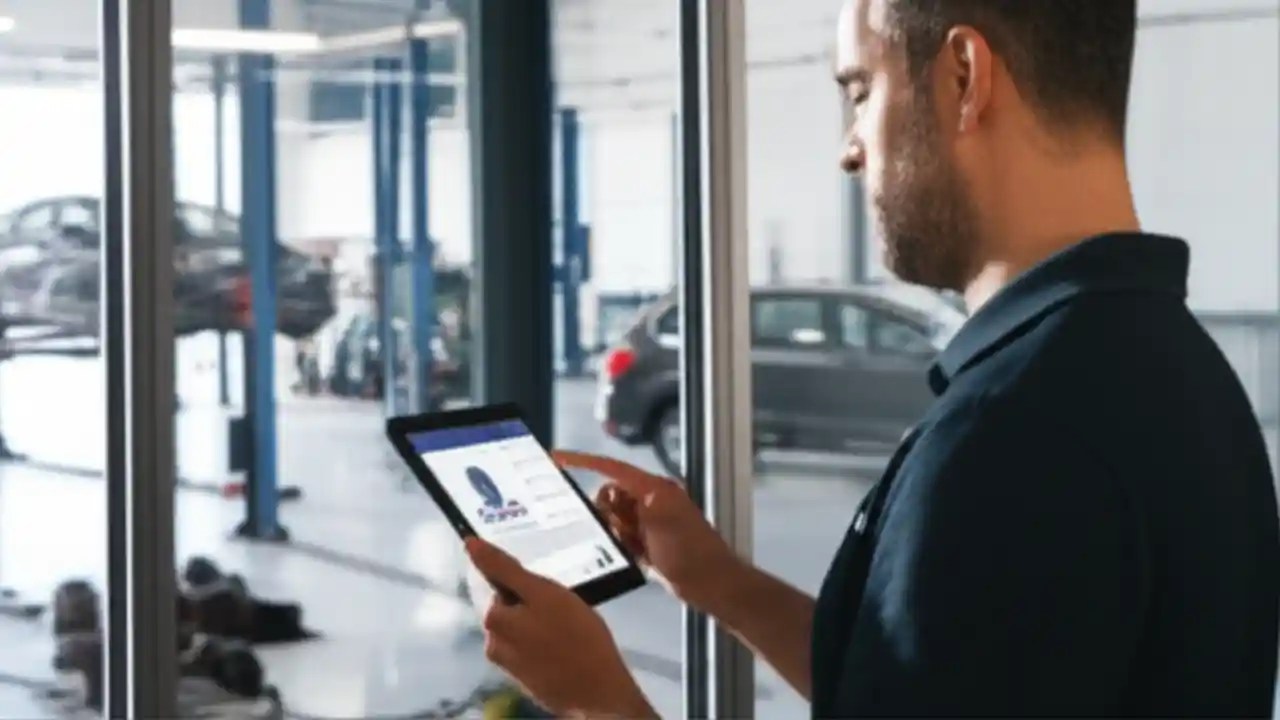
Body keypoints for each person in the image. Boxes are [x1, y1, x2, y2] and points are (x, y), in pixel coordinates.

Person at [465, 0, 1280, 716]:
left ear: (963, 76)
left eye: (860, 91)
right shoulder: (1176, 371)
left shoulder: (1013, 437)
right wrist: (720, 582)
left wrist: (591, 699)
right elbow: (933, 683)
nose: (849, 149)